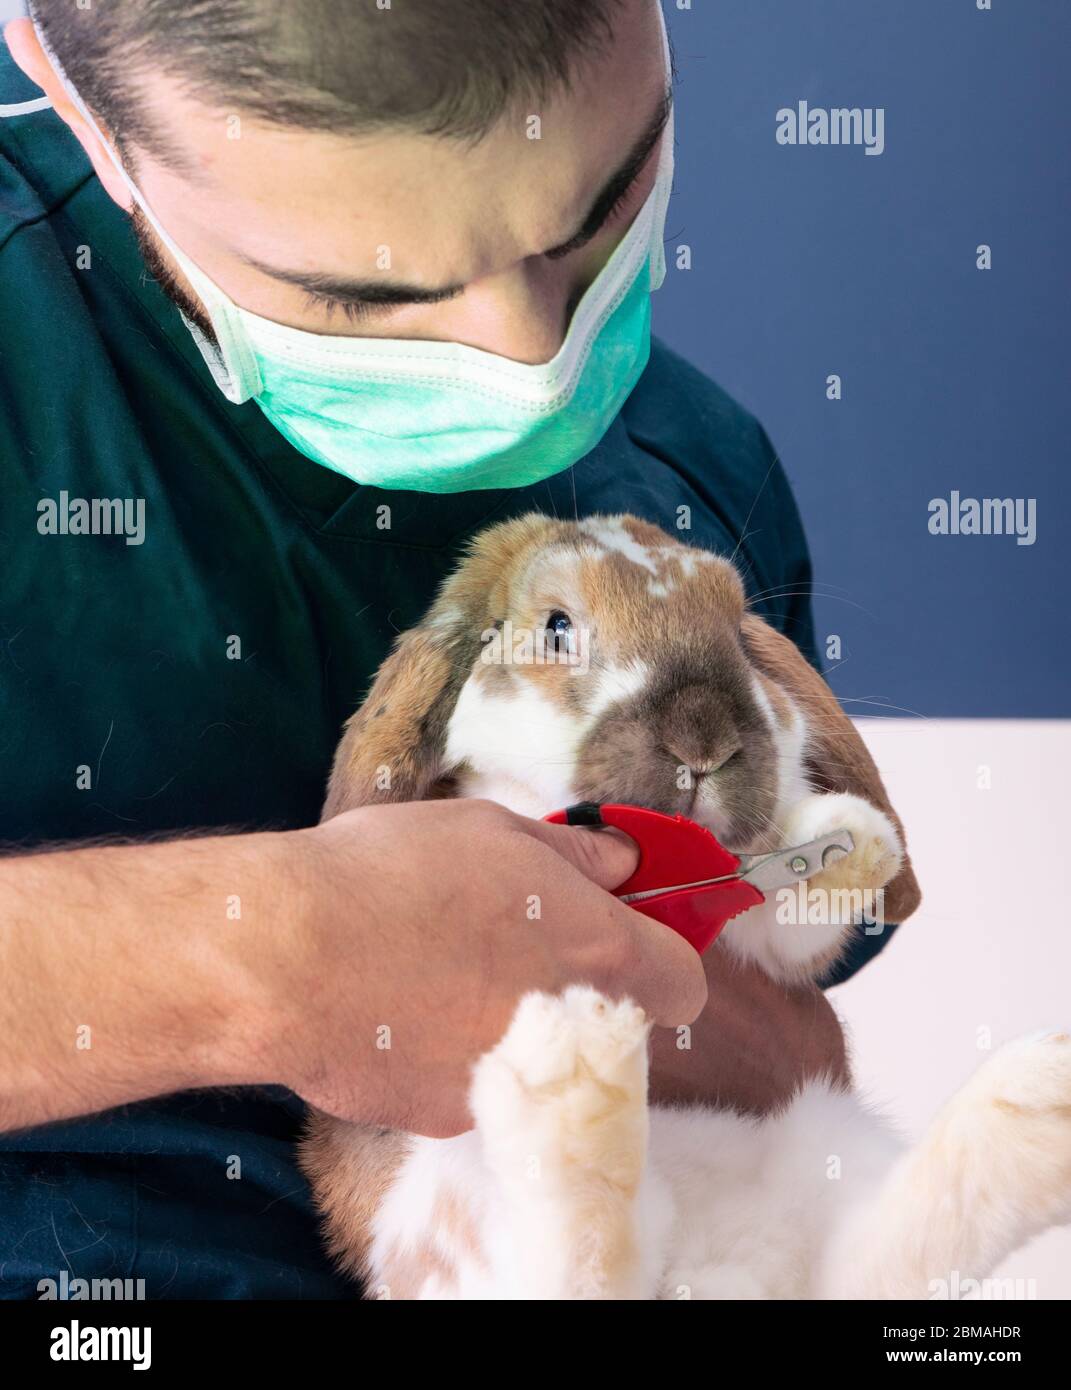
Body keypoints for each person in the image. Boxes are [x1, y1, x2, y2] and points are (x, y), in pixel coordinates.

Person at [0, 1, 879, 1299]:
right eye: (364, 294)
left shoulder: (701, 487)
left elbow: (796, 1054)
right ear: (82, 114)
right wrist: (286, 953)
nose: (533, 364)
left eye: (600, 208)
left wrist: (770, 1076)